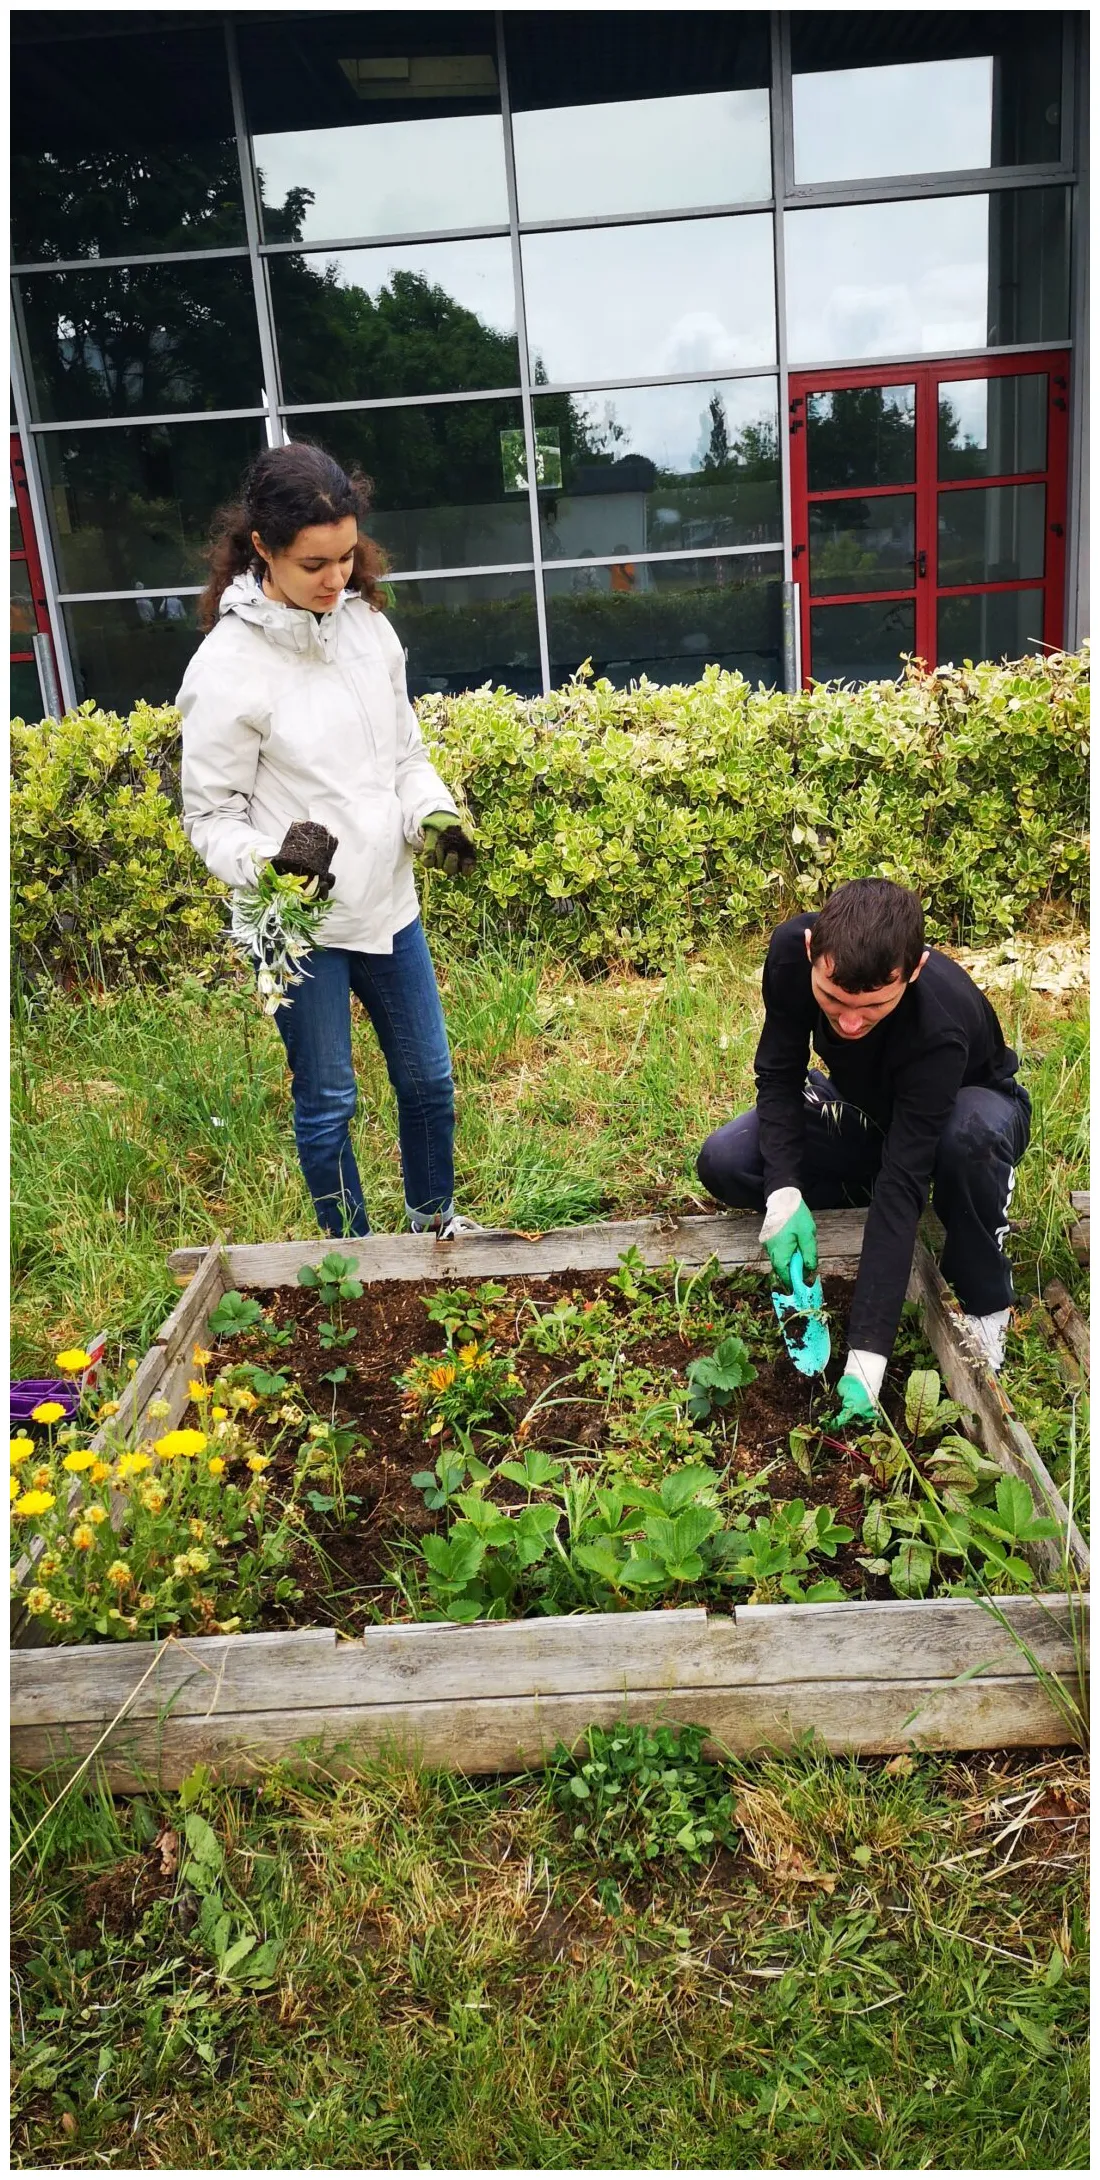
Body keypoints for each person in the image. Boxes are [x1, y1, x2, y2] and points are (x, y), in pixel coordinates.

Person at [178, 440, 479, 1242]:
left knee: (429, 1082)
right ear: (262, 548)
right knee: (329, 1101)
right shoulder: (225, 668)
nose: (336, 578)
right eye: (314, 563)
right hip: (294, 921)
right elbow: (210, 818)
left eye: (347, 557)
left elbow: (403, 757)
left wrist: (432, 814)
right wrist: (271, 868)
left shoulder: (368, 630)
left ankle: (433, 1230)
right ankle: (354, 1260)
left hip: (386, 902)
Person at [696, 879, 1031, 1423]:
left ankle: (986, 1304)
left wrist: (868, 1356)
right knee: (727, 1161)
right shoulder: (790, 954)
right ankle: (853, 1195)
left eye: (873, 1006)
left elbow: (902, 1184)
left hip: (969, 1111)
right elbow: (778, 1075)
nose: (849, 1022)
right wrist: (783, 1193)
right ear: (812, 951)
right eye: (832, 1000)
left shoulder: (938, 1023)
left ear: (914, 970)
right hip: (868, 1110)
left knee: (965, 1141)